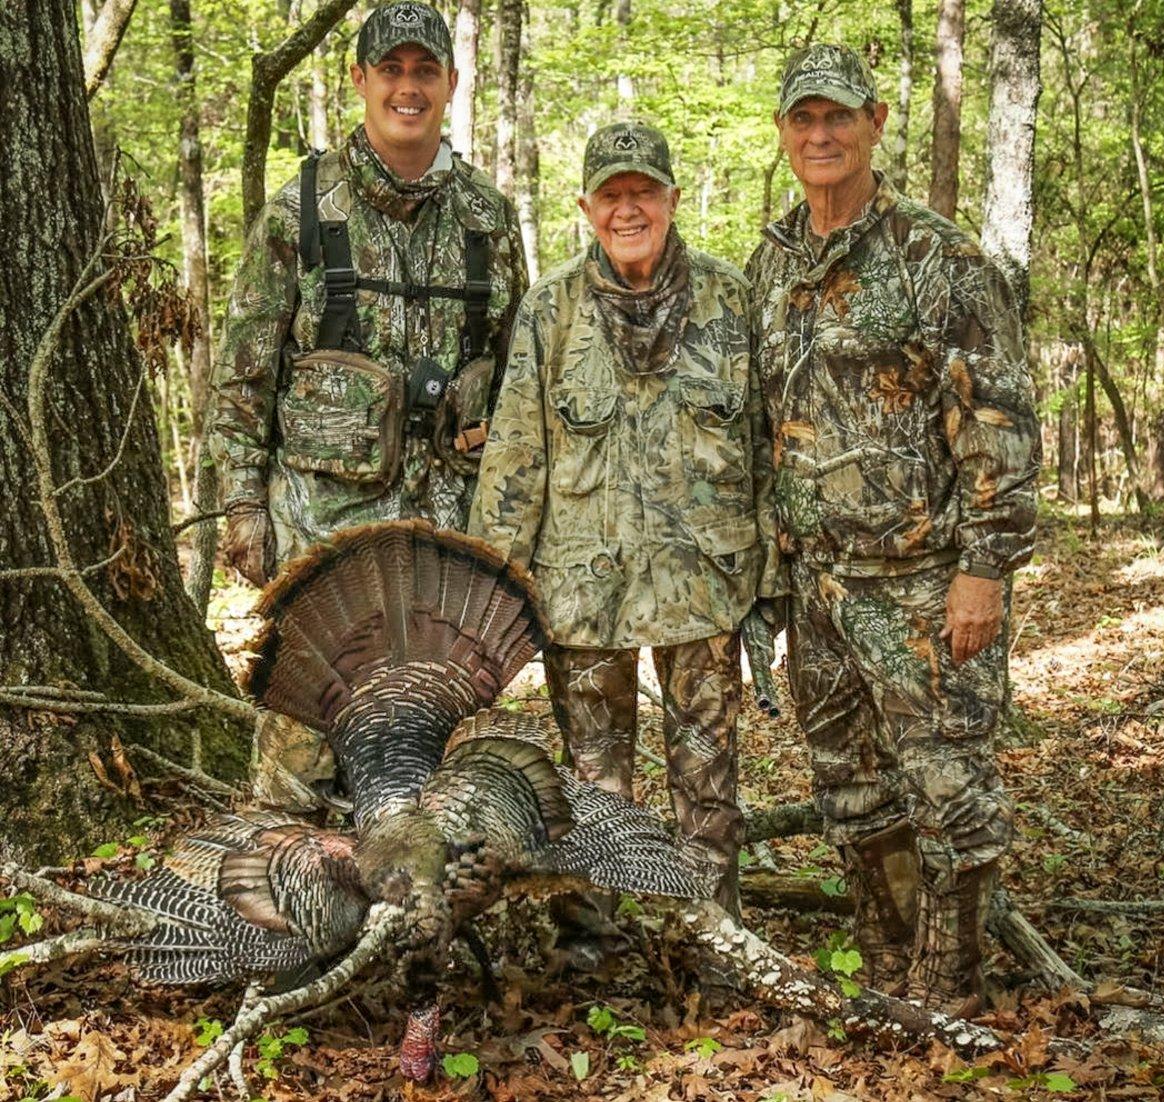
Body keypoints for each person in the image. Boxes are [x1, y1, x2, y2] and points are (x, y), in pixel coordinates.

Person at [745, 44, 1041, 1016]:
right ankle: (885, 973)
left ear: (874, 122)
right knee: (852, 793)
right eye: (803, 120)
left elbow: (996, 416)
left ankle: (951, 992)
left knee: (949, 789)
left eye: (837, 117)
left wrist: (985, 568)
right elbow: (762, 423)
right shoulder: (774, 259)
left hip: (923, 583)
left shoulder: (937, 256)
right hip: (818, 587)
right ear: (786, 133)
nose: (820, 135)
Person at [469, 122, 779, 948]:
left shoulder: (729, 300)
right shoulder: (550, 311)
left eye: (644, 191)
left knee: (707, 785)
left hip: (705, 586)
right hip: (583, 592)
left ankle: (714, 941)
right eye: (611, 195)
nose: (628, 208)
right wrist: (490, 596)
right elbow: (514, 460)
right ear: (585, 208)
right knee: (593, 785)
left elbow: (765, 446)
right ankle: (590, 944)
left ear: (673, 200)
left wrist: (774, 576)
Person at [209, 1, 528, 802]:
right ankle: (294, 923)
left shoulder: (488, 220)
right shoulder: (302, 211)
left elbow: (517, 370)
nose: (408, 87)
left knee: (439, 780)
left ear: (452, 83)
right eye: (391, 69)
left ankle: (424, 922)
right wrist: (244, 505)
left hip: (447, 553)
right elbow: (244, 376)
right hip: (323, 547)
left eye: (425, 70)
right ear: (360, 79)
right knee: (301, 783)